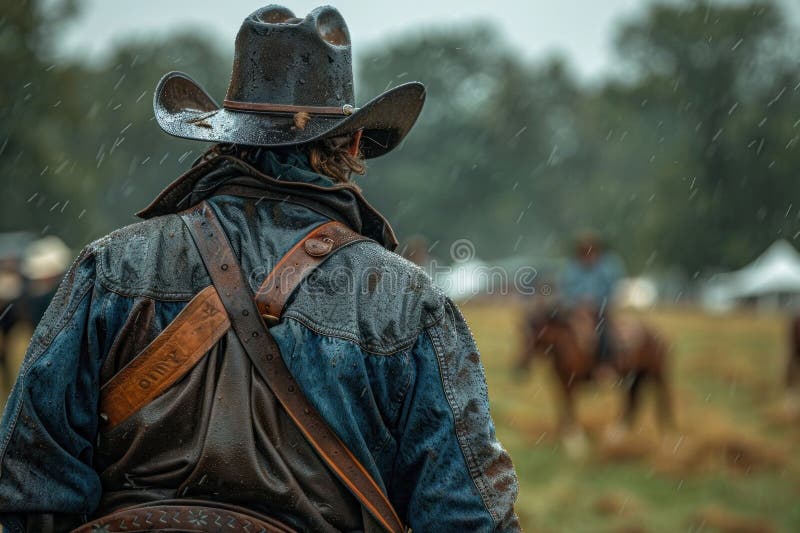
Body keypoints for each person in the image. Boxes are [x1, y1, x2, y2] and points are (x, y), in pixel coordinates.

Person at [0, 5, 520, 533]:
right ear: (356, 142)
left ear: (224, 135)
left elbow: (30, 484)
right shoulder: (406, 300)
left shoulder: (107, 267)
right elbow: (467, 517)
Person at [560, 231, 625, 370]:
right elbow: (566, 289)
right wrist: (578, 302)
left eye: (591, 250)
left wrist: (596, 301)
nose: (587, 255)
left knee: (603, 331)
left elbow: (613, 288)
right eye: (584, 251)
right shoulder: (572, 267)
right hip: (576, 309)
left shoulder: (607, 267)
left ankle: (604, 364)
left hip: (600, 309)